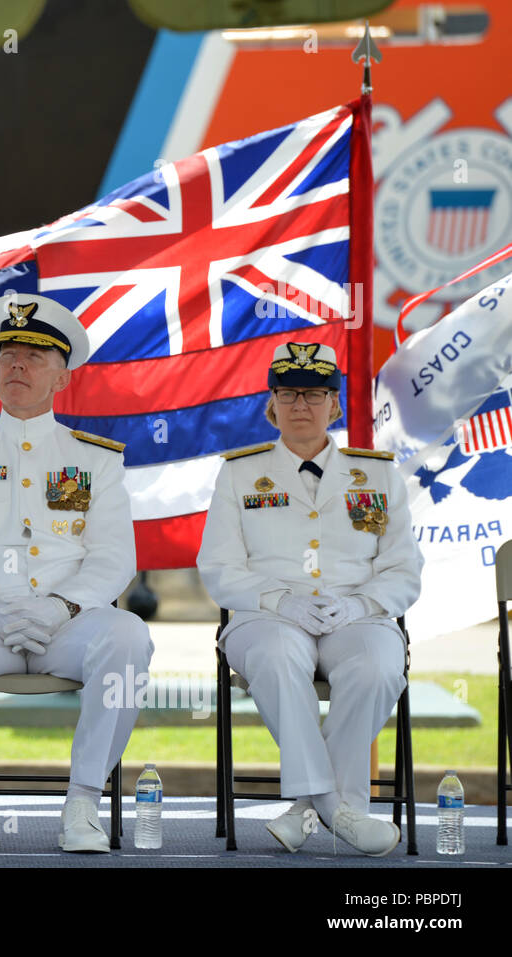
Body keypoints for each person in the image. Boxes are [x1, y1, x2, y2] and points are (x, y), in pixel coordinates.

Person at [0, 293, 153, 853]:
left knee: (129, 637)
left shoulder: (95, 459)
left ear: (61, 378)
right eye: (8, 353)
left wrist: (59, 606)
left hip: (67, 623)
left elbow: (113, 558)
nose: (16, 364)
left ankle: (84, 802)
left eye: (33, 356)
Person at [197, 342, 423, 856]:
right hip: (266, 615)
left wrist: (360, 605)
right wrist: (279, 601)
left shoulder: (380, 475)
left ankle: (307, 808)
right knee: (277, 659)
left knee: (379, 667)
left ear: (335, 406)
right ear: (271, 404)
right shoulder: (237, 473)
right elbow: (219, 568)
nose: (302, 404)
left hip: (356, 613)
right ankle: (340, 808)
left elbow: (404, 568)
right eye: (289, 393)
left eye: (315, 393)